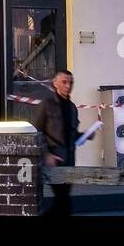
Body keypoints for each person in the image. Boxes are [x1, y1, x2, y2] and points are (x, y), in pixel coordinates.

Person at [33, 68, 81, 216]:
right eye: (64, 82)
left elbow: (71, 134)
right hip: (55, 158)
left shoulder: (72, 107)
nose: (68, 86)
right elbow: (37, 133)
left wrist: (86, 135)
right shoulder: (46, 105)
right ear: (55, 83)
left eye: (71, 83)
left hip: (70, 159)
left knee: (63, 201)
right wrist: (46, 155)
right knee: (63, 201)